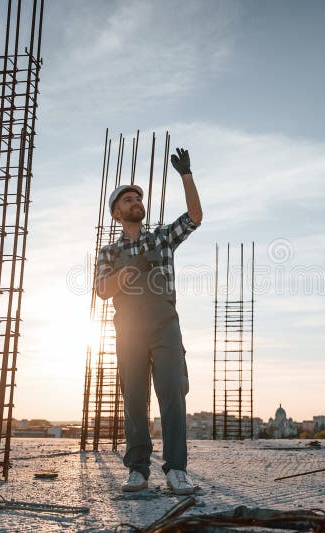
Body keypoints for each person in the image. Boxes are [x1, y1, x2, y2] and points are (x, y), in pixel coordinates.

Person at [95, 148, 203, 494]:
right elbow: (102, 290)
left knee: (173, 393)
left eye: (138, 198)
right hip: (129, 328)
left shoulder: (161, 238)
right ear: (117, 213)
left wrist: (186, 175)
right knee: (134, 399)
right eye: (128, 200)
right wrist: (128, 270)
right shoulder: (109, 253)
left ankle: (177, 470)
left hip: (164, 322)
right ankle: (138, 470)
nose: (136, 202)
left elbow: (195, 217)